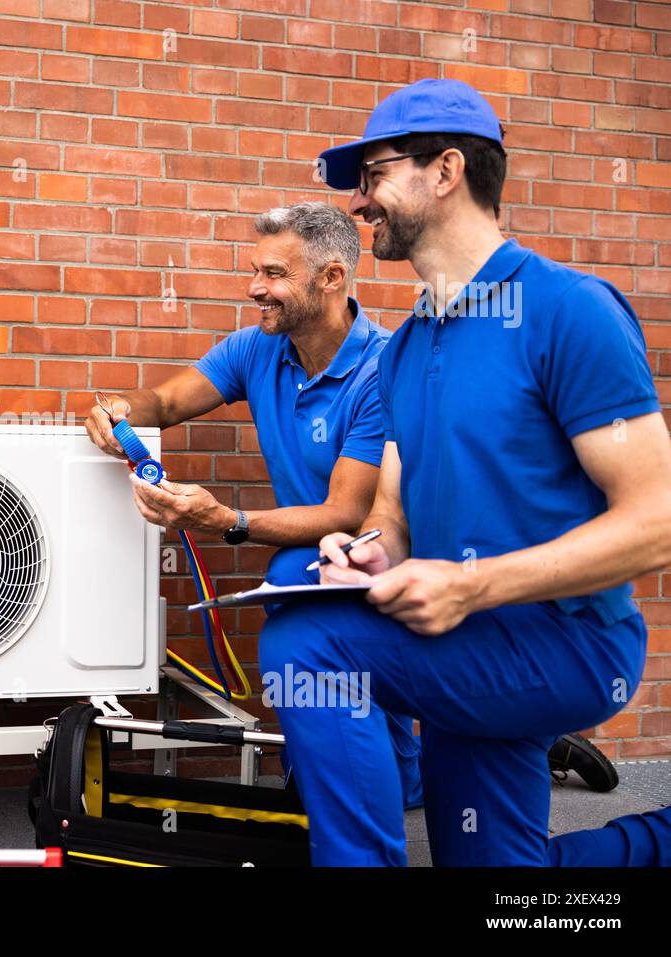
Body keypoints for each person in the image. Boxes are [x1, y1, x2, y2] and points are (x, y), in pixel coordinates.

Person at [259, 78, 671, 865]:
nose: (360, 201)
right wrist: (370, 553)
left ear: (445, 172)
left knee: (307, 643)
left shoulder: (567, 310)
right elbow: (395, 516)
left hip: (565, 645)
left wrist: (472, 585)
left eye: (375, 174)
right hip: (462, 640)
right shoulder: (408, 346)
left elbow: (657, 522)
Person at [84, 201, 423, 807]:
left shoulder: (383, 368)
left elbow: (348, 515)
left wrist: (229, 522)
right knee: (312, 601)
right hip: (316, 551)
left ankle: (341, 773)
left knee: (299, 583)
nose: (254, 288)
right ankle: (365, 773)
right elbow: (162, 402)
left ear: (332, 278)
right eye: (255, 271)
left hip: (381, 553)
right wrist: (117, 411)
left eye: (273, 274)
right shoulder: (255, 349)